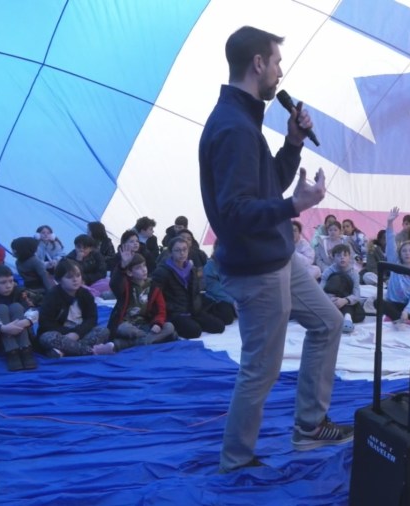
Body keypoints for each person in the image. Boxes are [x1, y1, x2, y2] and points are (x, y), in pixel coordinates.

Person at [199, 26, 352, 473]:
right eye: (277, 62)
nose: (281, 73)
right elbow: (235, 212)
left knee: (328, 322)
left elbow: (269, 184)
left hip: (277, 256)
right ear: (258, 63)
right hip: (257, 268)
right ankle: (236, 461)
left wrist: (293, 143)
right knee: (261, 368)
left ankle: (310, 426)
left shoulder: (243, 119)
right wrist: (294, 206)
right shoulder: (233, 127)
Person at [151, 236, 224, 339]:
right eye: (177, 250)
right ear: (171, 252)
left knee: (219, 327)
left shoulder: (191, 268)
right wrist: (171, 310)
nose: (182, 253)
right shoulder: (162, 271)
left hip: (192, 309)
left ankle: (192, 321)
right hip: (175, 312)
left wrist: (197, 308)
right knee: (194, 331)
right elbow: (156, 296)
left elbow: (196, 292)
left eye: (184, 249)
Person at [36, 260, 113, 357]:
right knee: (47, 337)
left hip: (80, 333)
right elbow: (45, 323)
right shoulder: (52, 296)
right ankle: (91, 351)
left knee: (103, 331)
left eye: (78, 275)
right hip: (61, 334)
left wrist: (77, 333)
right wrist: (69, 334)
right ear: (59, 280)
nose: (75, 280)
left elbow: (92, 319)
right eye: (69, 277)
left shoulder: (85, 294)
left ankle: (64, 351)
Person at [108, 250, 176, 350]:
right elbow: (114, 284)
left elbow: (161, 310)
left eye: (144, 266)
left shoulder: (153, 286)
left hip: (144, 324)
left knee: (169, 326)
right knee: (125, 329)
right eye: (138, 268)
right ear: (129, 272)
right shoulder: (125, 285)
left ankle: (125, 344)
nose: (143, 270)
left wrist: (157, 323)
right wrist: (122, 266)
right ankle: (150, 339)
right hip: (126, 324)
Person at [320, 244, 365, 332]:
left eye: (345, 255)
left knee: (360, 315)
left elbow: (356, 295)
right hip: (332, 299)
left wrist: (345, 300)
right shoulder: (328, 271)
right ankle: (346, 317)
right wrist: (331, 299)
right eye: (338, 255)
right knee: (338, 277)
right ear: (333, 258)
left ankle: (345, 317)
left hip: (346, 299)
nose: (342, 258)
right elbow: (321, 290)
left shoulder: (354, 274)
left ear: (349, 257)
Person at [66, 234, 110, 298]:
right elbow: (73, 275)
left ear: (90, 249)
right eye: (79, 247)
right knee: (77, 287)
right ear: (75, 246)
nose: (81, 250)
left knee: (108, 282)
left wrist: (86, 279)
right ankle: (93, 294)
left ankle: (92, 293)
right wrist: (78, 261)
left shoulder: (96, 255)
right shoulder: (70, 258)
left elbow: (102, 272)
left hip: (93, 281)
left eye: (85, 248)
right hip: (79, 284)